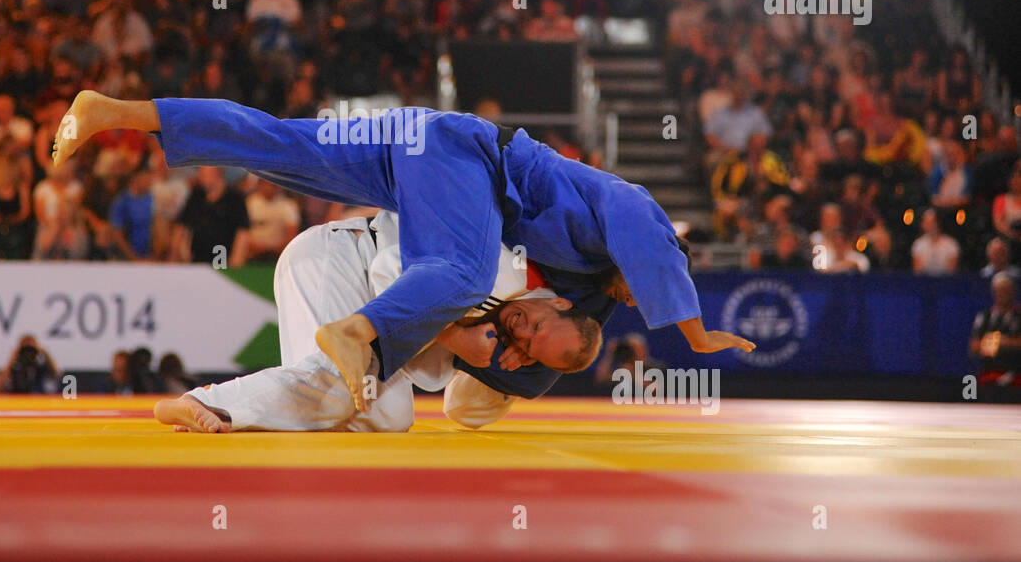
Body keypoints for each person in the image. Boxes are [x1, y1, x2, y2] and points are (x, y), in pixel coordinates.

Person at [54, 92, 753, 413]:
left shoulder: (582, 277)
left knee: (280, 145)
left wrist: (502, 374)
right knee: (461, 272)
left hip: (415, 147)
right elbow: (651, 242)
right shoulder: (632, 213)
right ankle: (358, 329)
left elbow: (555, 346)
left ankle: (117, 112)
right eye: (645, 289)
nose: (634, 297)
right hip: (463, 153)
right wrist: (694, 329)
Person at [155, 210, 611, 433]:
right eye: (536, 328)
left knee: (388, 417)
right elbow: (388, 272)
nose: (523, 334)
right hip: (338, 260)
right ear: (561, 303)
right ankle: (208, 402)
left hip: (358, 292)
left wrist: (489, 364)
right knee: (337, 389)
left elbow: (454, 401)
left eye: (531, 349)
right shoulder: (501, 269)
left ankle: (268, 413)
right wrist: (455, 338)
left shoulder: (509, 324)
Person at [968, 274, 1021, 386]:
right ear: (994, 293)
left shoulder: (1018, 316)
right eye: (999, 291)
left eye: (1006, 291)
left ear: (1013, 292)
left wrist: (1003, 342)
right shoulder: (984, 317)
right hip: (989, 375)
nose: (1003, 295)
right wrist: (998, 341)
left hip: (1015, 376)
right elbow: (974, 346)